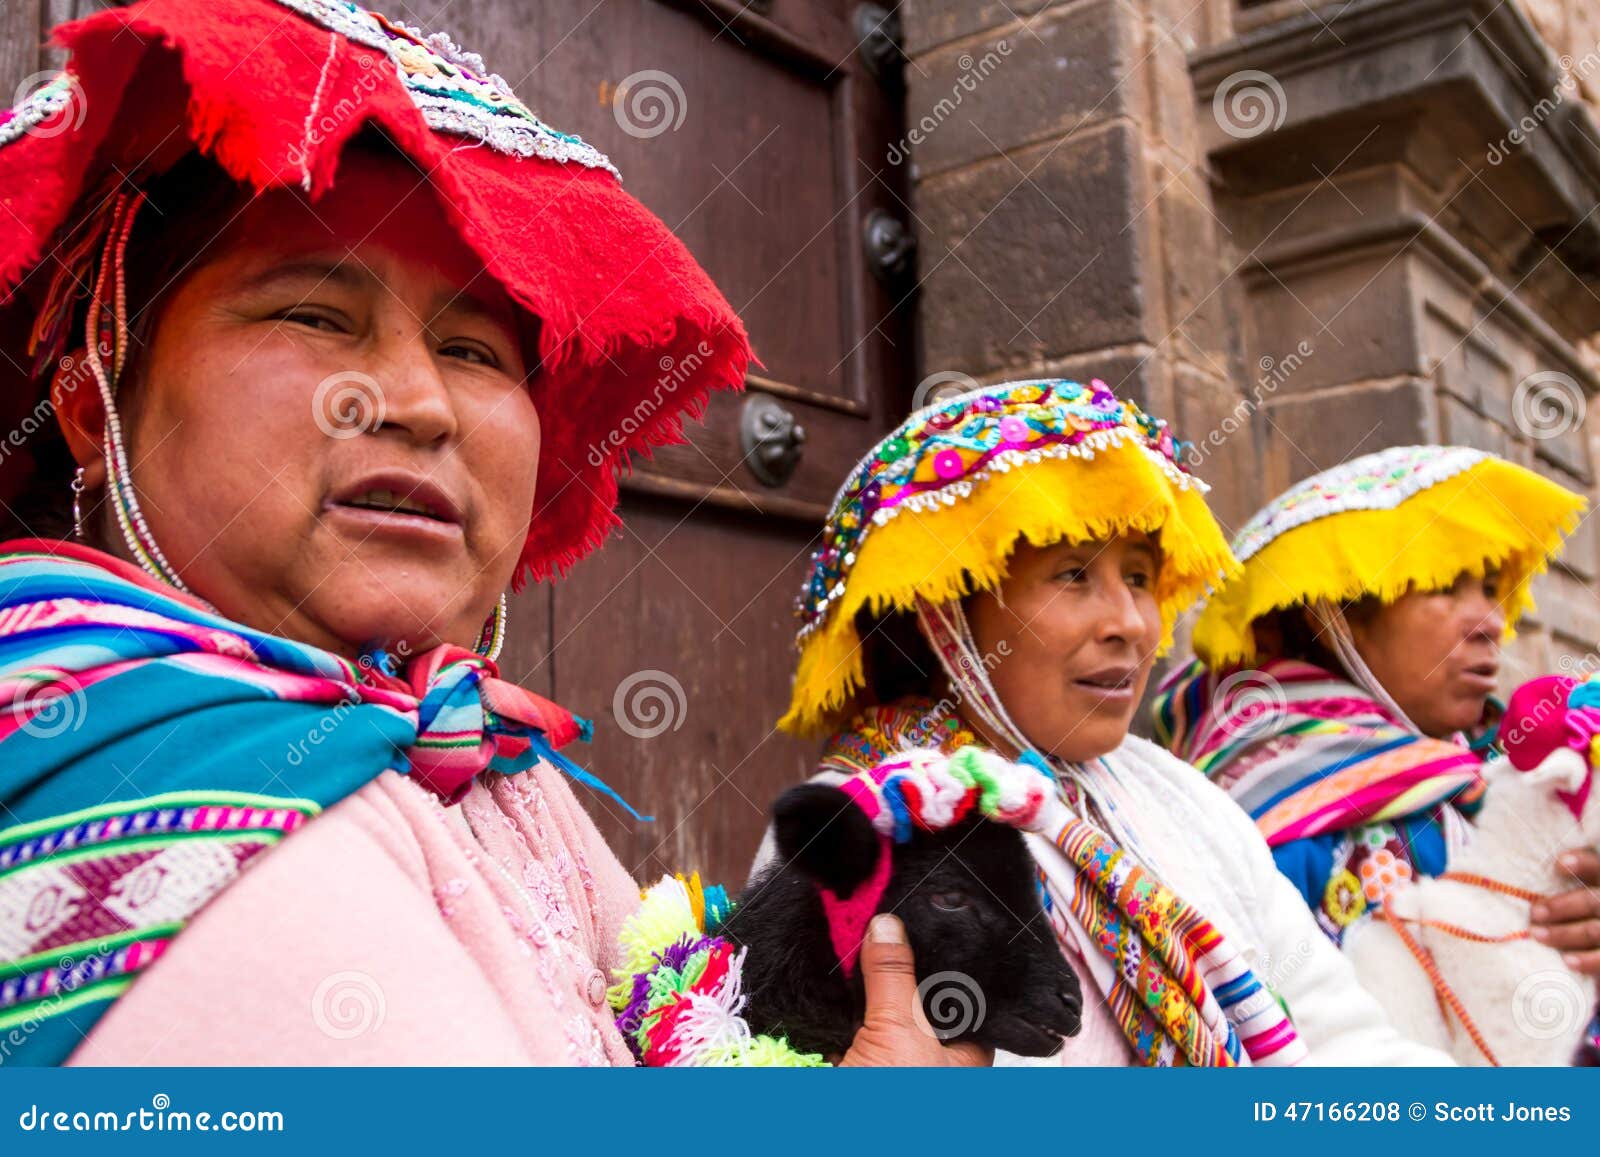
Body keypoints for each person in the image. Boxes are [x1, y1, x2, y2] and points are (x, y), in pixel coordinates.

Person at [0, 0, 970, 1067]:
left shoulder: (468, 754)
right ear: (90, 407)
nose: (422, 405)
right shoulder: (174, 794)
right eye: (314, 316)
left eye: (472, 350)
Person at [771, 379, 1450, 1064]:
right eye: (1073, 574)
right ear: (944, 609)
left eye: (1139, 578)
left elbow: (1344, 1039)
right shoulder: (862, 828)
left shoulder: (1180, 798)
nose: (1130, 624)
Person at [1151, 445, 1600, 1060]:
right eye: (1445, 586)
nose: (1490, 622)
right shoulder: (1257, 823)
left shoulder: (1518, 774)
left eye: (1493, 589)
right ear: (1335, 615)